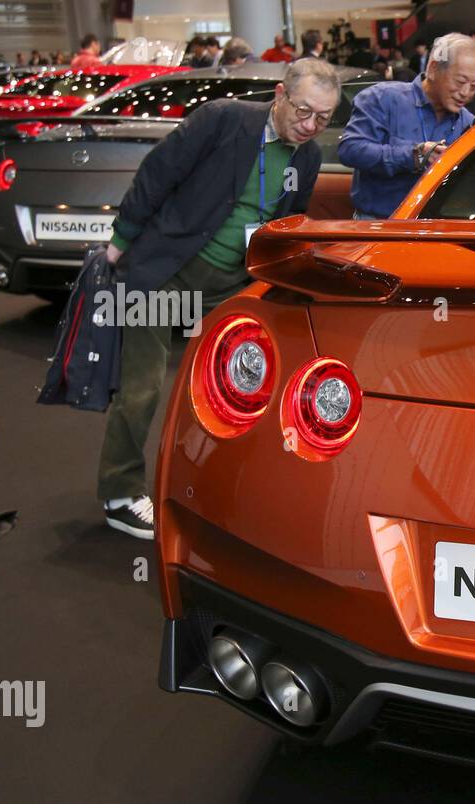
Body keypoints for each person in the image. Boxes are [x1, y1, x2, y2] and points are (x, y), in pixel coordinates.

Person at [97, 59, 340, 539]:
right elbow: (157, 175)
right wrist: (120, 240)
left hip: (229, 285)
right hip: (170, 272)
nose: (310, 125)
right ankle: (119, 493)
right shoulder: (224, 120)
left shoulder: (306, 157)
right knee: (142, 388)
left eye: (323, 118)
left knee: (236, 391)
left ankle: (213, 488)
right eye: (303, 110)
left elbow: (284, 223)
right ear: (279, 94)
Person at [339, 33, 475, 220]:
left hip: (438, 230)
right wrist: (413, 156)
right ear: (433, 69)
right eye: (460, 82)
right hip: (377, 226)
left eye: (474, 86)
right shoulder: (382, 99)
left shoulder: (470, 124)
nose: (465, 93)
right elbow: (350, 150)